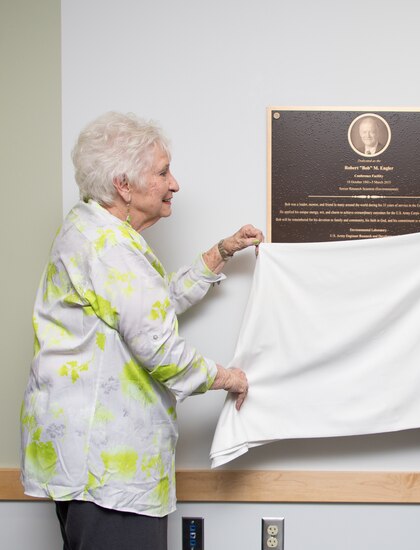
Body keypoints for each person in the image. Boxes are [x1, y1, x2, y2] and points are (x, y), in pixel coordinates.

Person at [20, 111, 264, 550]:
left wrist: (218, 254)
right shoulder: (110, 248)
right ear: (123, 184)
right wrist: (230, 377)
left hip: (90, 468)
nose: (175, 184)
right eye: (163, 172)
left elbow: (149, 307)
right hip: (108, 474)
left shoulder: (93, 232)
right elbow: (159, 347)